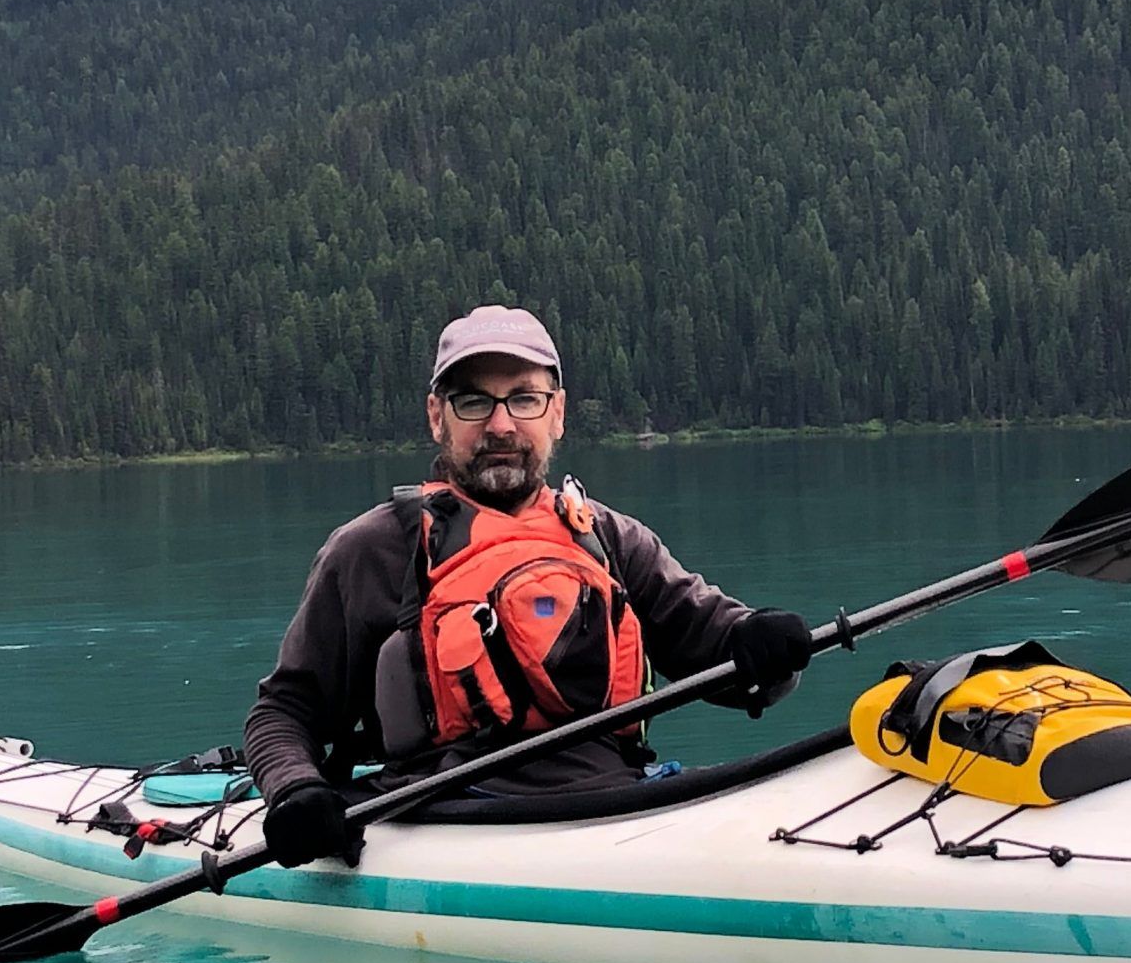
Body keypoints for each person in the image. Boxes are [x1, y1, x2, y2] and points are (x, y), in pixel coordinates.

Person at [245, 304, 815, 868]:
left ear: (557, 413)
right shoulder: (370, 551)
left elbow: (729, 655)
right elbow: (284, 711)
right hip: (445, 820)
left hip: (623, 807)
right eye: (473, 401)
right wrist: (296, 791)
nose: (500, 425)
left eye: (524, 398)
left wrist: (762, 644)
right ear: (436, 416)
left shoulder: (608, 538)